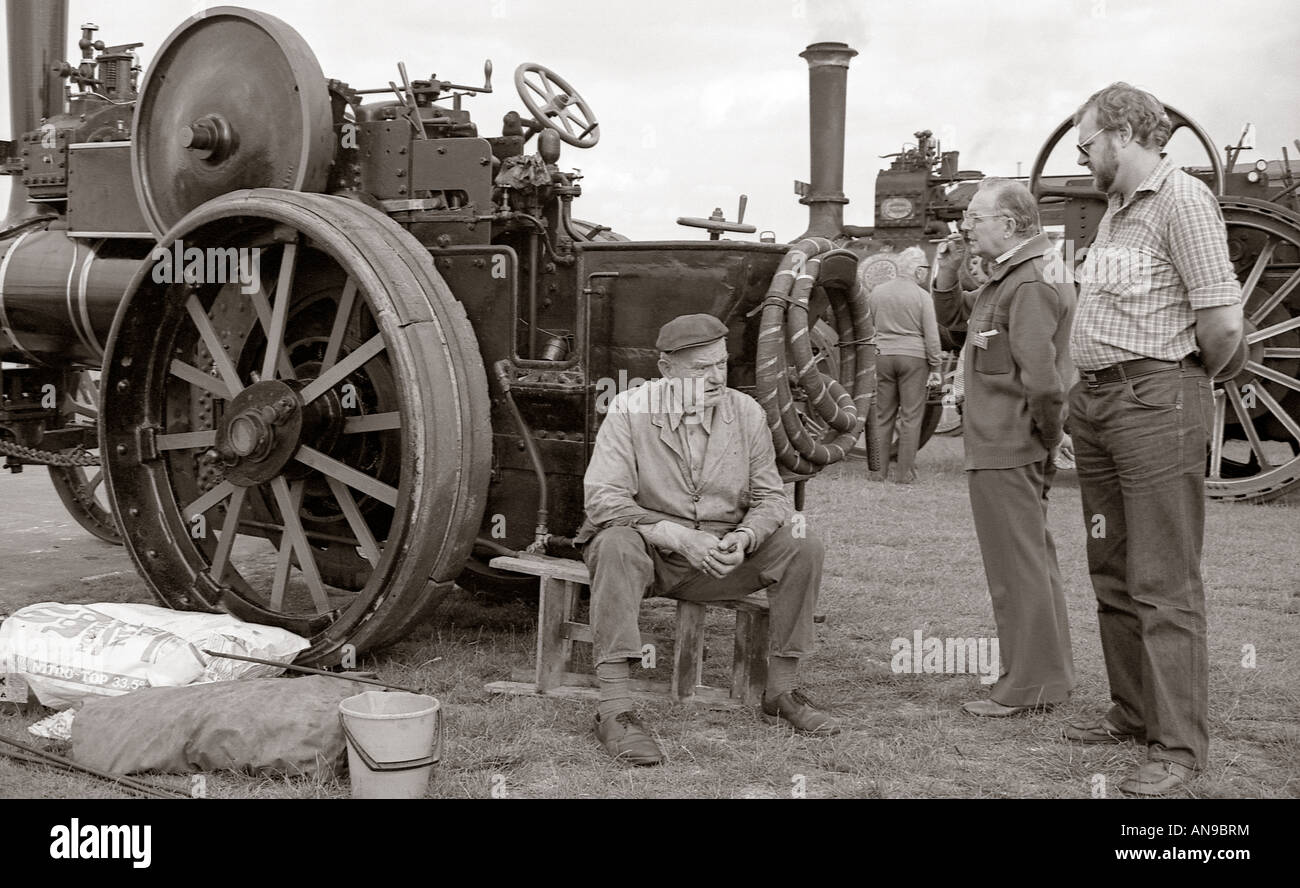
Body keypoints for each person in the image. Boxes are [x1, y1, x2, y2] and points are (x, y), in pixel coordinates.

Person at [1063, 83, 1243, 796]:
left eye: (1086, 144)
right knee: (1111, 568)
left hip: (1153, 401)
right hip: (1103, 404)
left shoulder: (1182, 202)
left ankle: (1176, 749)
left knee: (1164, 580)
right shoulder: (1115, 213)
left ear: (1122, 134)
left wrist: (1180, 385)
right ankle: (1133, 713)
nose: (1083, 158)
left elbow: (1223, 323)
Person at [576, 313, 839, 766]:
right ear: (666, 369)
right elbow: (602, 498)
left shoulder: (746, 412)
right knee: (614, 542)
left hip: (723, 558)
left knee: (803, 541)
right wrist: (677, 537)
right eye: (701, 369)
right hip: (652, 554)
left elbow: (770, 497)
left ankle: (781, 692)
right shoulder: (629, 409)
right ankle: (615, 711)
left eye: (721, 364)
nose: (716, 377)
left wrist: (745, 536)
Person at [931, 177, 1076, 719]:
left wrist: (1044, 436)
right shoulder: (1014, 278)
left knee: (1016, 572)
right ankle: (1047, 676)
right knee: (1031, 564)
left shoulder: (1029, 284)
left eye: (975, 217)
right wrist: (946, 274)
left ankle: (1030, 686)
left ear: (1010, 225)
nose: (965, 226)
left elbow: (1043, 380)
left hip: (1008, 445)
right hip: (1006, 443)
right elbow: (956, 329)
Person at [867, 276, 943, 483]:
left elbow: (867, 325)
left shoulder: (877, 292)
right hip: (914, 358)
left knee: (882, 416)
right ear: (917, 270)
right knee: (911, 417)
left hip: (882, 355)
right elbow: (932, 335)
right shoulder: (922, 296)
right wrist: (936, 365)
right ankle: (904, 474)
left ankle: (877, 472)